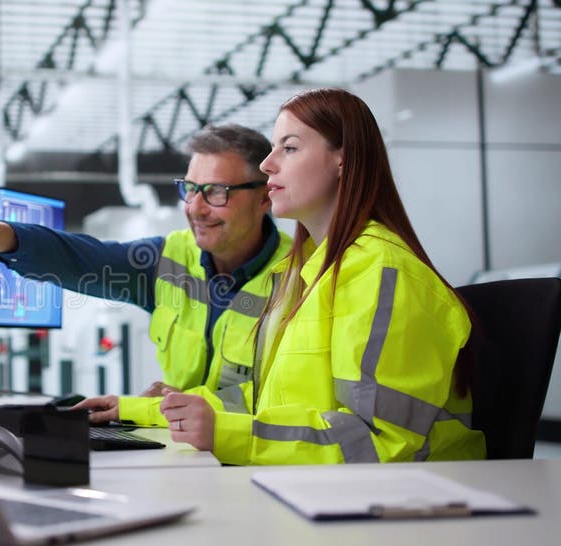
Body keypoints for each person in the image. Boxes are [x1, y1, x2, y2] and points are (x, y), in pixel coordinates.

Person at [155, 88, 486, 464]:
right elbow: (264, 400)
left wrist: (228, 434)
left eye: (289, 148)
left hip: (409, 504)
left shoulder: (379, 270)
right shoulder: (304, 274)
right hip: (318, 489)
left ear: (342, 160)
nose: (267, 165)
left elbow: (380, 439)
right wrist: (150, 411)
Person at [0, 124, 292, 426]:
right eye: (190, 189)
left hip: (255, 468)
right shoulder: (170, 258)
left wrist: (150, 409)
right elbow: (84, 260)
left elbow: (277, 407)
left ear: (265, 198)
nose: (195, 208)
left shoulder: (302, 279)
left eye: (216, 193)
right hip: (185, 453)